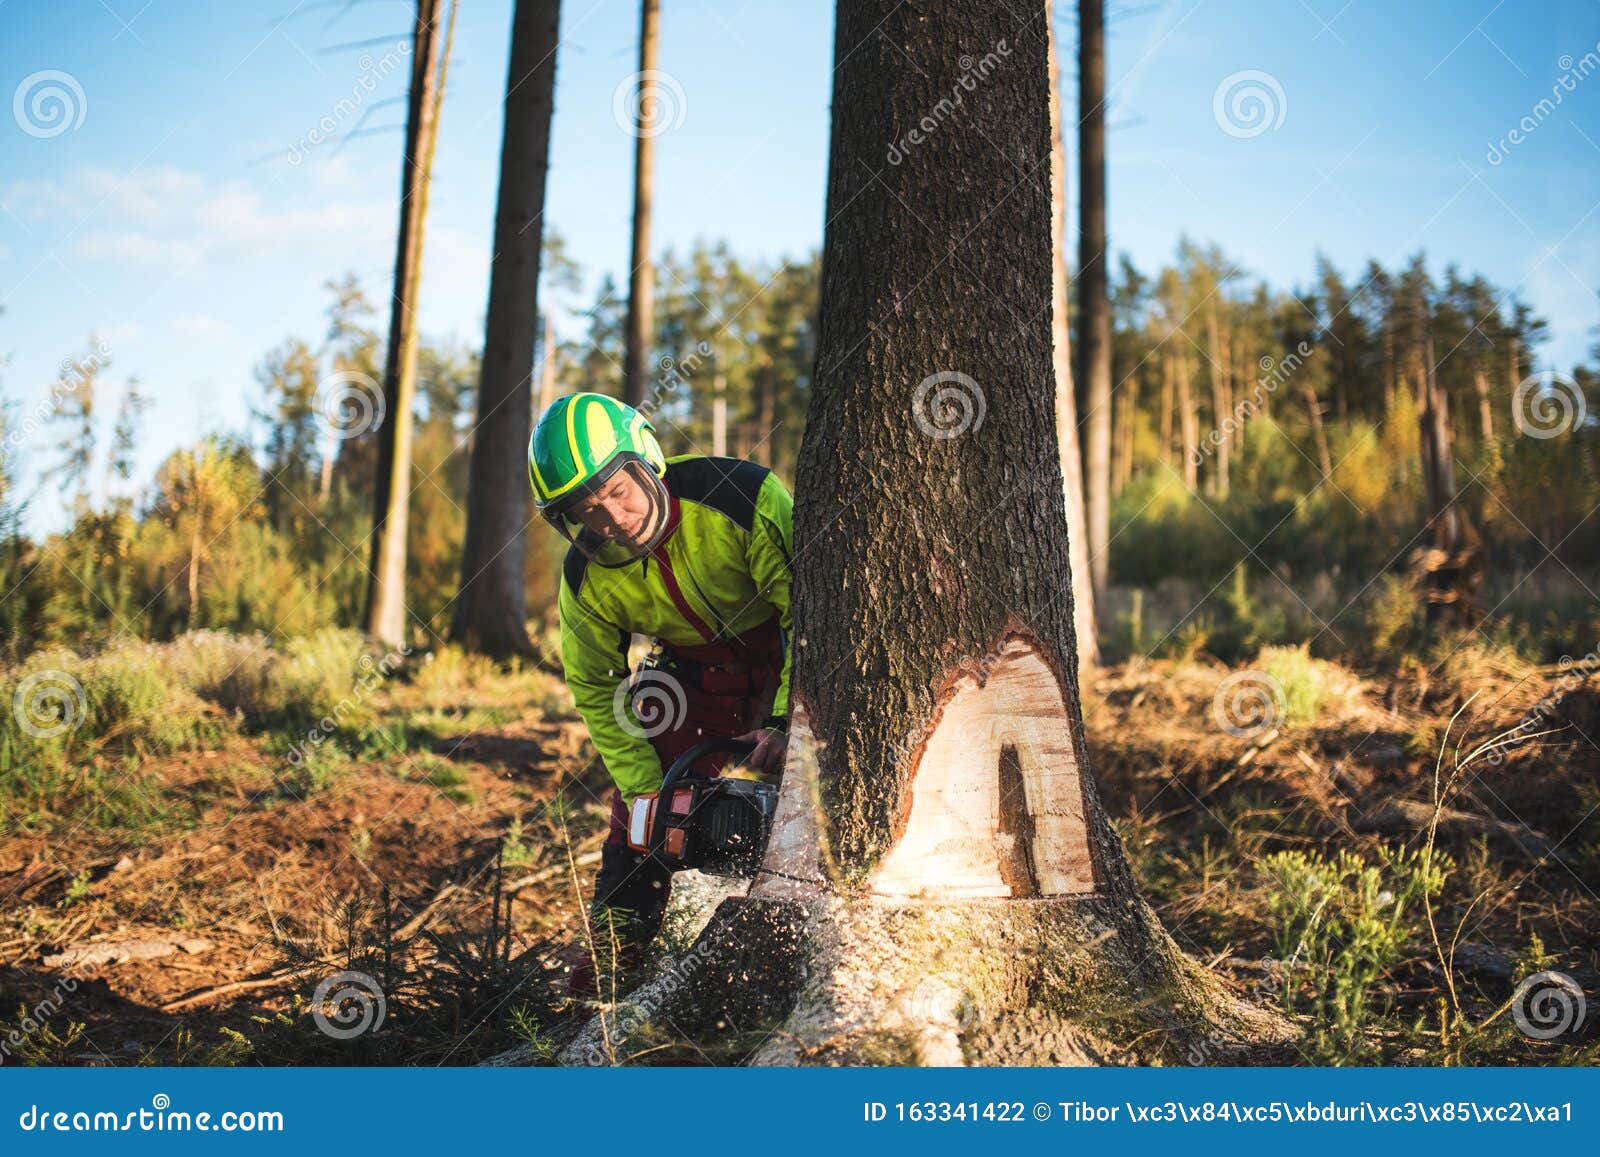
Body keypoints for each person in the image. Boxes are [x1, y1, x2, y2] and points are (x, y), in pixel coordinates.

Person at [528, 392, 793, 998]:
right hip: (691, 677)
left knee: (806, 786)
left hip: (782, 654)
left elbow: (805, 610)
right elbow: (596, 682)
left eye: (619, 491)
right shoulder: (584, 577)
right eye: (590, 513)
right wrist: (643, 785)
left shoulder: (741, 495)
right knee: (644, 822)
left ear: (646, 459)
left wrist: (785, 716)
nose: (614, 520)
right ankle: (607, 981)